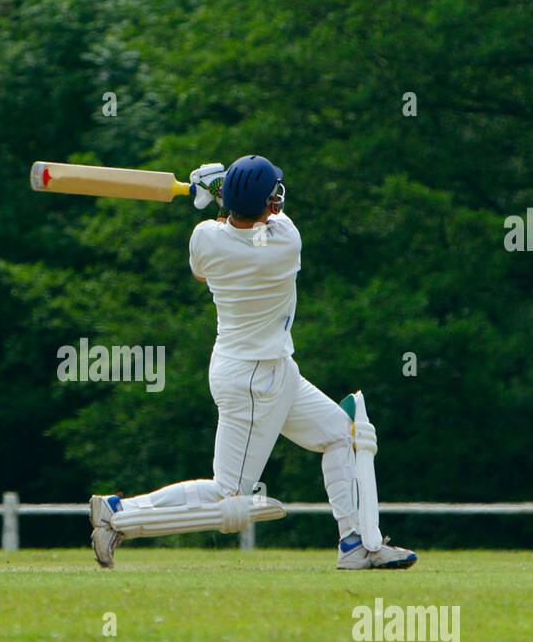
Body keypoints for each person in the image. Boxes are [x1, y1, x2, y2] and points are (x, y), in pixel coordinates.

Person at [89, 155, 416, 571]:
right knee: (228, 492)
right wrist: (219, 194)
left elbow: (205, 269)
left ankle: (355, 543)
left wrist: (211, 198)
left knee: (339, 435)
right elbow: (266, 219)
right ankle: (117, 512)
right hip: (254, 380)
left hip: (265, 367)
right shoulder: (285, 243)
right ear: (269, 204)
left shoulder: (203, 239)